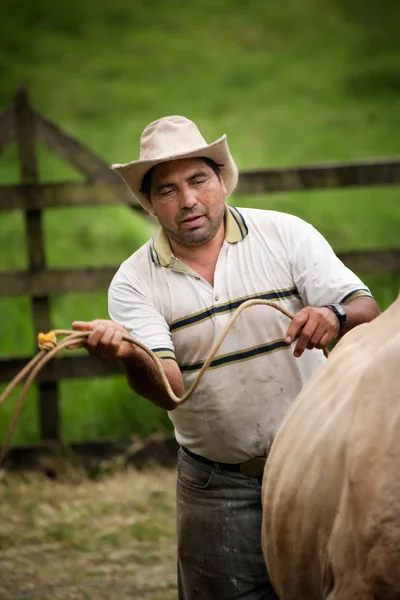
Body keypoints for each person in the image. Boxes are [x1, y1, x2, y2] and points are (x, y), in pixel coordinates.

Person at [72, 116, 380, 600]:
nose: (189, 200)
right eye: (168, 190)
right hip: (218, 485)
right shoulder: (134, 282)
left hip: (315, 466)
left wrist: (334, 315)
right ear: (151, 205)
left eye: (198, 181)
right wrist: (130, 354)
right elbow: (170, 390)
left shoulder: (285, 234)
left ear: (222, 181)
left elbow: (367, 310)